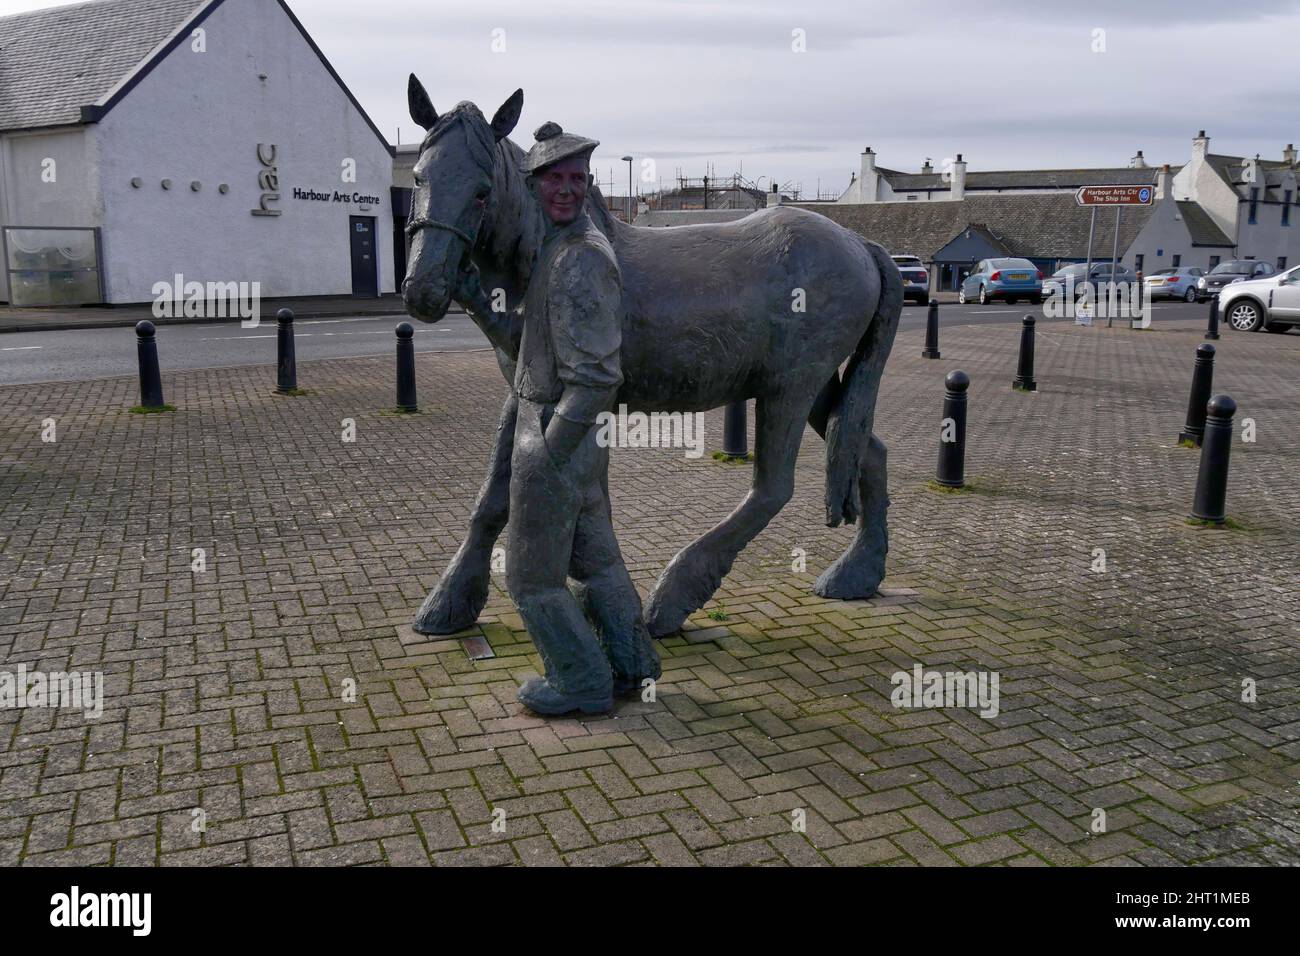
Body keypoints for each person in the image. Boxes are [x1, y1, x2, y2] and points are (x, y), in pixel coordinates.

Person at [454, 121, 659, 715]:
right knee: (597, 564)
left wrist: (548, 447)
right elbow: (535, 344)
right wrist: (474, 296)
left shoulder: (578, 259)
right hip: (571, 435)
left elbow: (596, 375)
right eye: (555, 179)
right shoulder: (562, 248)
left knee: (530, 579)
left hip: (557, 433)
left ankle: (580, 681)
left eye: (577, 179)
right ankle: (633, 663)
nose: (566, 189)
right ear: (534, 183)